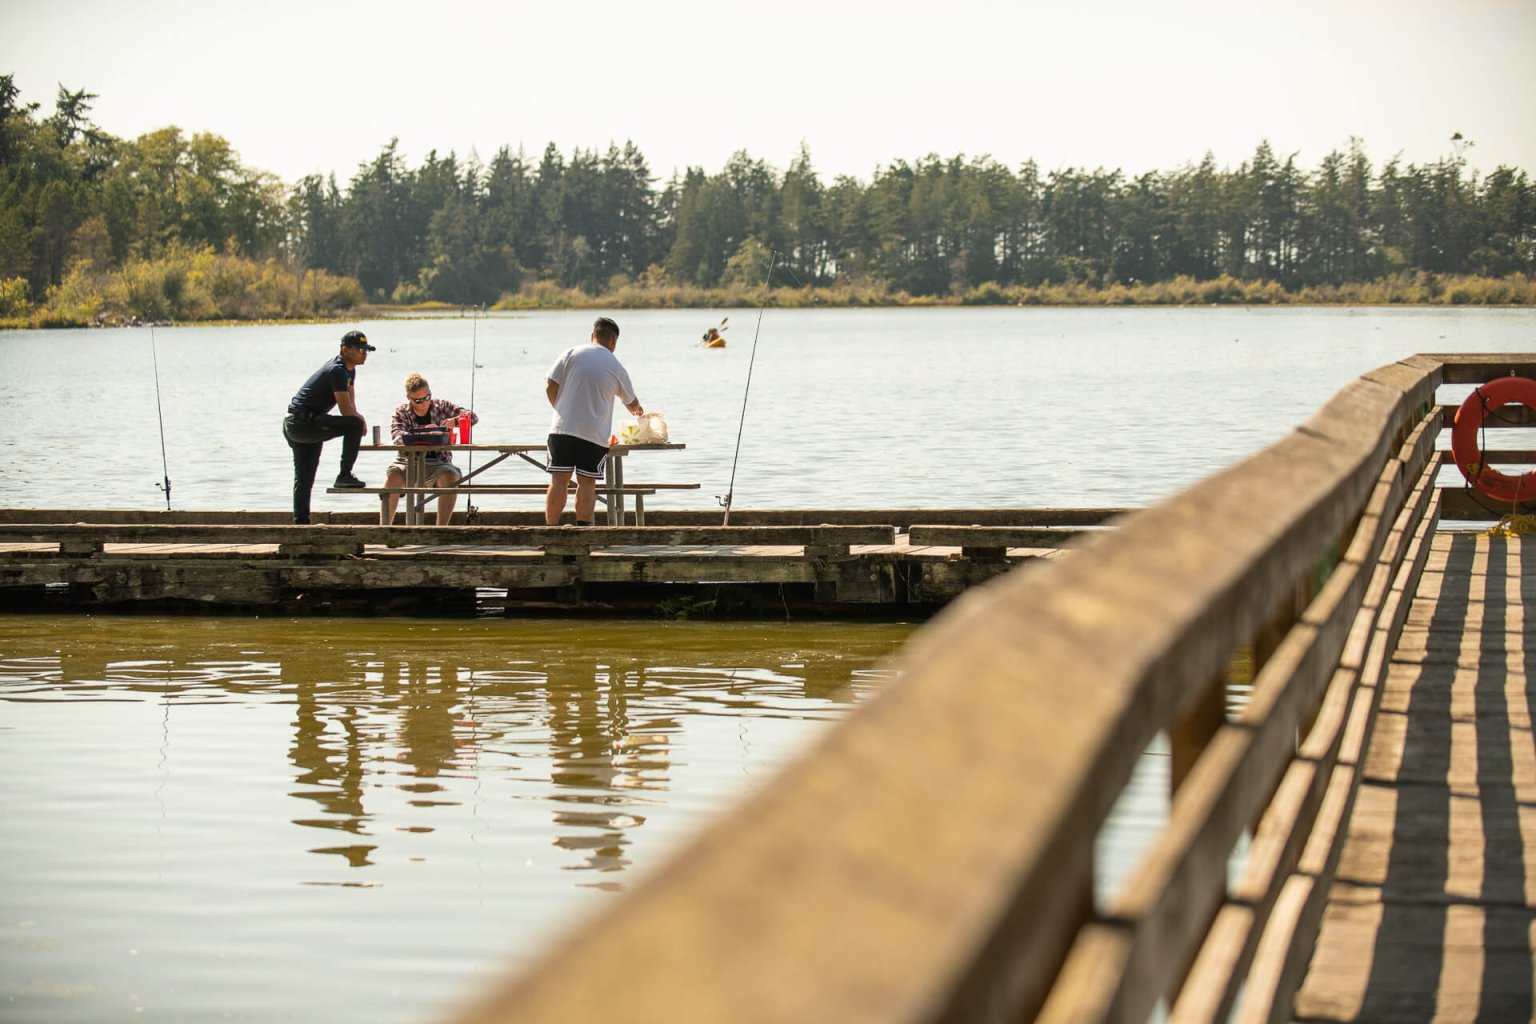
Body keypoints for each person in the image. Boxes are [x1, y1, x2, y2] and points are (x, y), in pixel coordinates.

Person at [544, 316, 643, 526]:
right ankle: (583, 532)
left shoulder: (571, 352)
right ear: (614, 342)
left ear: (593, 336)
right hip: (593, 434)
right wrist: (641, 413)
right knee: (587, 482)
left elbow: (550, 385)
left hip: (562, 429)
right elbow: (632, 404)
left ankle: (550, 532)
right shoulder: (616, 366)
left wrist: (561, 410)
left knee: (559, 480)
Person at [282, 329, 373, 524]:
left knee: (305, 478)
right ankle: (345, 475)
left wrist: (359, 417)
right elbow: (346, 412)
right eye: (360, 349)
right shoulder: (337, 370)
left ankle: (301, 524)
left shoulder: (350, 371)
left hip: (301, 423)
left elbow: (351, 405)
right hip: (301, 423)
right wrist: (358, 420)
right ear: (345, 349)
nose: (364, 353)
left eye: (366, 350)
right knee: (353, 424)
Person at [382, 373, 477, 526]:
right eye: (417, 400)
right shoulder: (401, 412)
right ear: (409, 398)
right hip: (407, 462)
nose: (423, 403)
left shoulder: (442, 406)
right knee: (391, 480)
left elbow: (473, 417)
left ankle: (440, 530)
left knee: (451, 479)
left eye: (426, 397)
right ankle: (384, 530)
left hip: (439, 462)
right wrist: (423, 432)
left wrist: (455, 421)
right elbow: (397, 437)